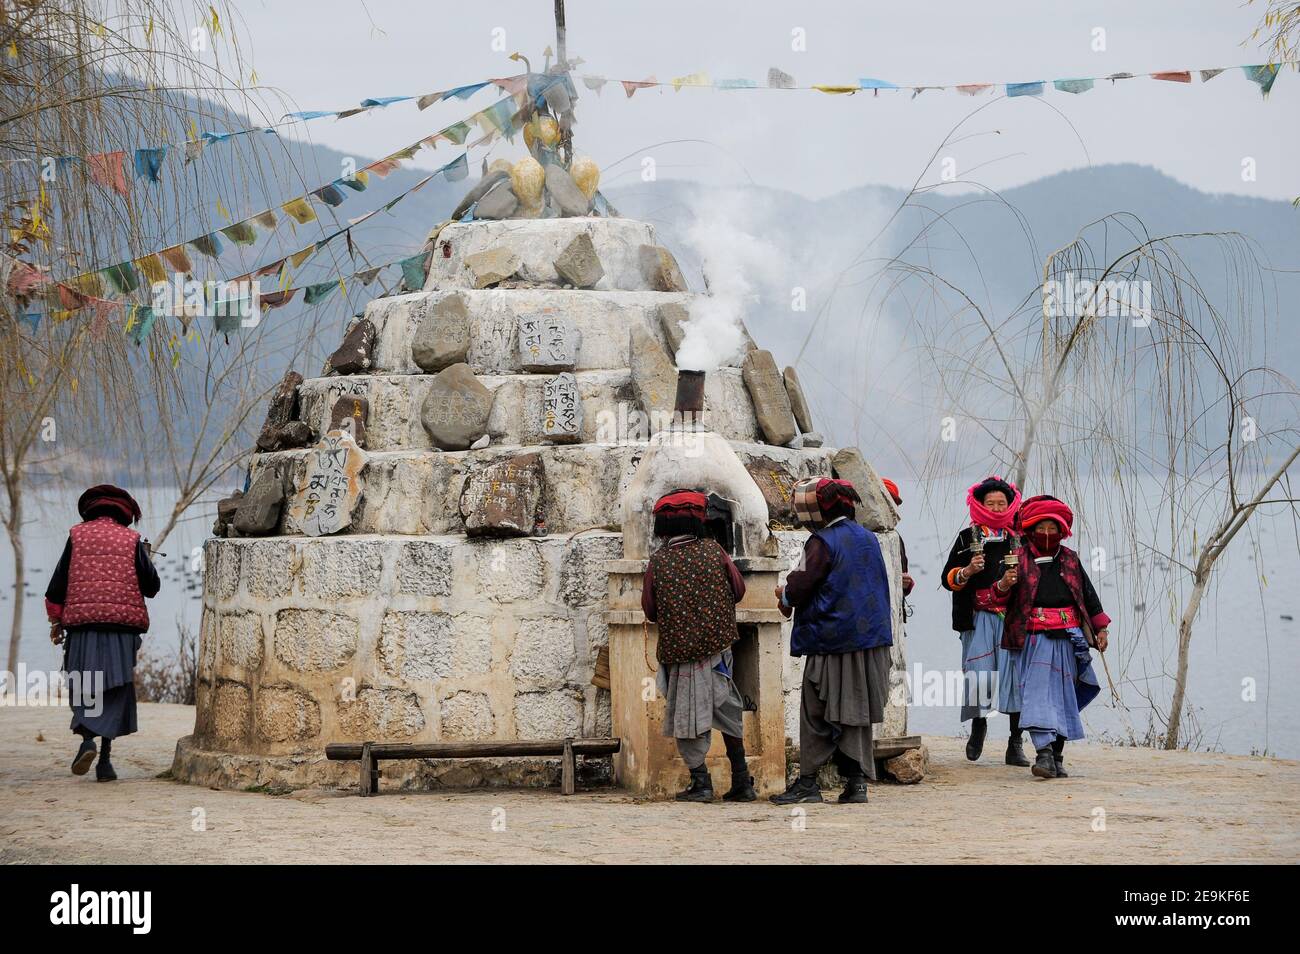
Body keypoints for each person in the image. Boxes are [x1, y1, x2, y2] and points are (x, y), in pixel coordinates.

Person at [770, 478, 893, 805]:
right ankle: (856, 784)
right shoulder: (868, 538)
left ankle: (808, 783)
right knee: (855, 711)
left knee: (816, 710)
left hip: (832, 642)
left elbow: (800, 587)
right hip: (870, 642)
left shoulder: (821, 543)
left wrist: (784, 593)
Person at [641, 490, 754, 803]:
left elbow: (649, 609)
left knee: (685, 715)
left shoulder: (658, 562)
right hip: (718, 652)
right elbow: (739, 590)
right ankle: (742, 780)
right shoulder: (714, 551)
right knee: (727, 709)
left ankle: (701, 783)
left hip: (680, 657)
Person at [45, 485, 160, 782]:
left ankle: (86, 742)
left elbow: (56, 586)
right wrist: (147, 559)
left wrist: (55, 621)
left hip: (83, 628)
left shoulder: (77, 536)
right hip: (121, 629)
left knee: (85, 684)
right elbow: (152, 587)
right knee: (115, 688)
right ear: (124, 514)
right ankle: (105, 762)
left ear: (90, 510)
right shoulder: (132, 540)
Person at [1002, 495, 1109, 779]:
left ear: (1062, 531)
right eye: (1042, 528)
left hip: (1069, 638)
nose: (1048, 534)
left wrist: (1101, 629)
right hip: (1033, 639)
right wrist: (1005, 582)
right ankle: (1044, 754)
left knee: (1063, 697)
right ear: (1030, 529)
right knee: (1037, 695)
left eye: (1053, 528)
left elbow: (1088, 595)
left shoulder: (1070, 559)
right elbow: (1001, 597)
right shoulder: (1017, 559)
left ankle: (1057, 756)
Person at [940, 476, 1030, 766]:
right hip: (977, 617)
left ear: (1009, 505)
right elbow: (947, 578)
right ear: (979, 504)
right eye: (989, 502)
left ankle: (1015, 742)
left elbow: (1032, 581)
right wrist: (967, 571)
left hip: (1011, 619)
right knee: (978, 674)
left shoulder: (1018, 539)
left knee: (1015, 678)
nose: (995, 507)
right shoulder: (968, 538)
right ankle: (978, 727)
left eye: (1001, 503)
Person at [881, 478, 913, 597]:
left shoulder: (896, 538)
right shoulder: (868, 536)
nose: (891, 508)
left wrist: (906, 584)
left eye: (894, 503)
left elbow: (903, 572)